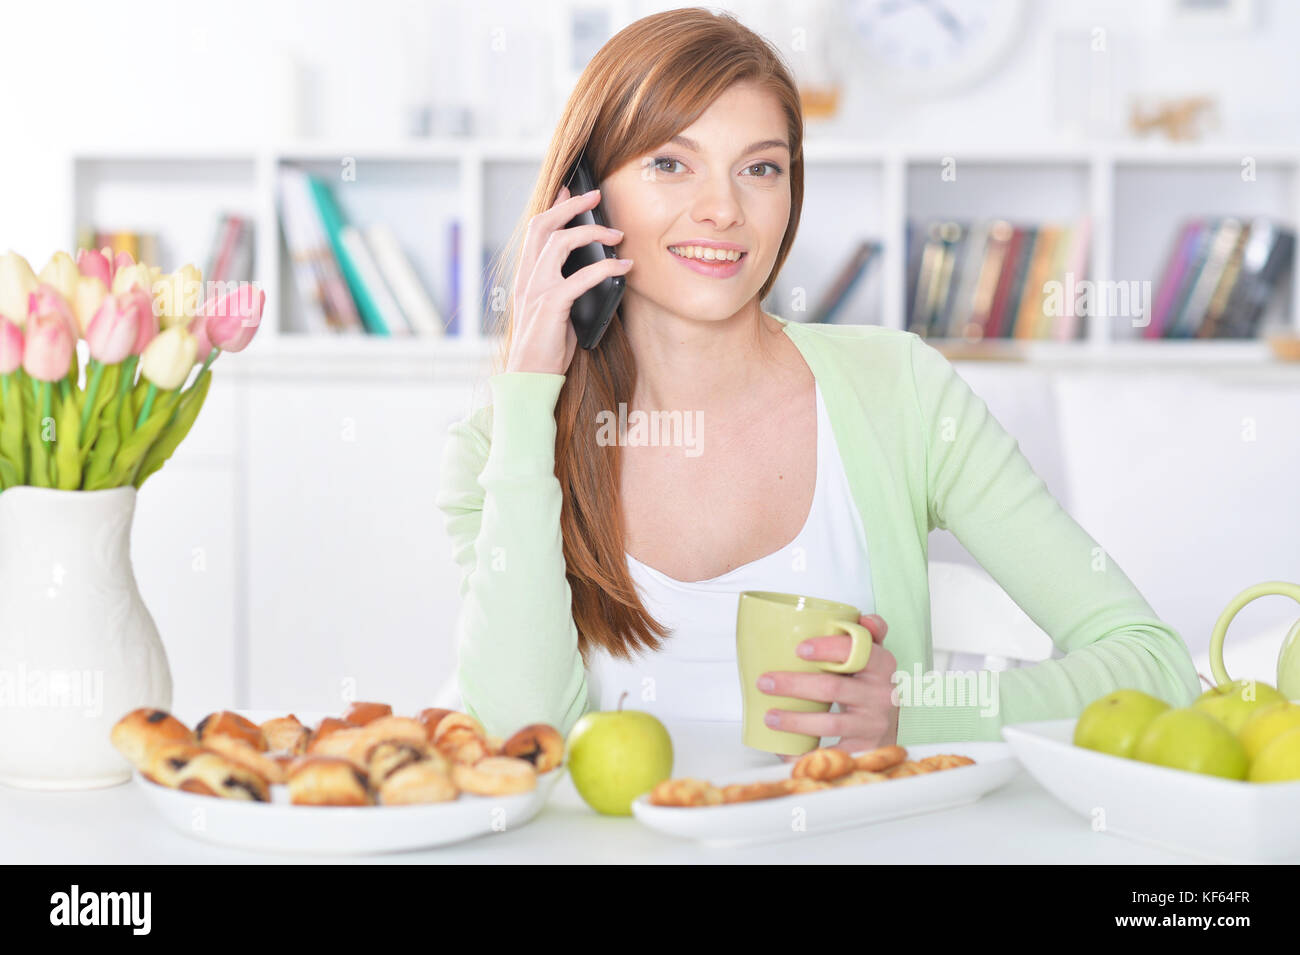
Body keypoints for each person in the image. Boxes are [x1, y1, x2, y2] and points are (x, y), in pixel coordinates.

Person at [435, 7, 1201, 757]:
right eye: (671, 163)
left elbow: (1150, 660)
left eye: (760, 168)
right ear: (584, 194)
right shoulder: (505, 445)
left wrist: (920, 710)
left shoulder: (899, 390)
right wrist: (532, 390)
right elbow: (516, 735)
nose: (723, 210)